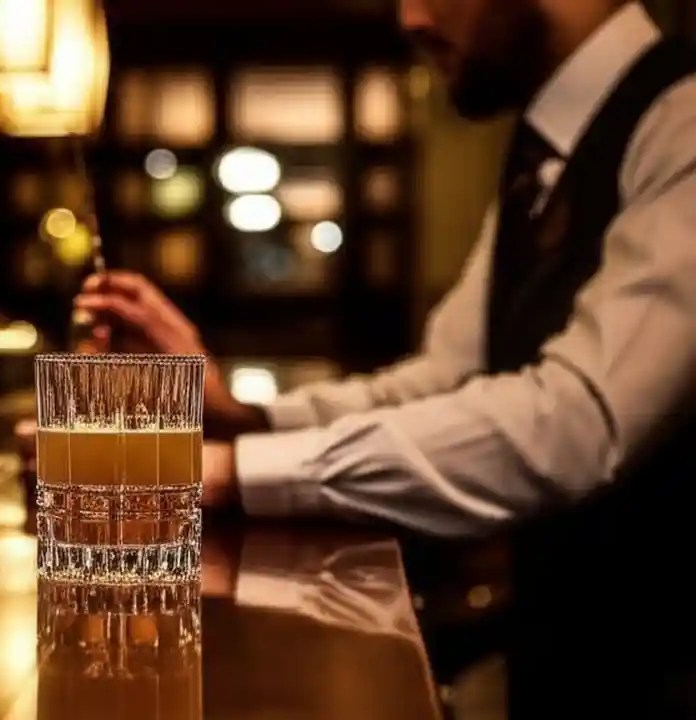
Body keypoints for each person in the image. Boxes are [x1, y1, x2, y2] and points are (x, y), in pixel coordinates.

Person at [75, 0, 696, 714]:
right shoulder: (549, 145)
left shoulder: (682, 126)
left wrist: (225, 472)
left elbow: (578, 422)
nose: (408, 17)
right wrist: (237, 413)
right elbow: (450, 378)